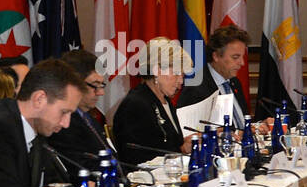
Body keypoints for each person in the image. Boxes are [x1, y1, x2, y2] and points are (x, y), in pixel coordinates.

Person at [0, 57, 84, 187]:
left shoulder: (37, 128)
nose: (66, 123)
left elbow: (53, 181)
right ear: (39, 99)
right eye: (64, 112)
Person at [111, 38, 195, 167]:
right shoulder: (135, 104)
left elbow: (166, 144)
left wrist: (185, 144)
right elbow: (136, 156)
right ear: (157, 71)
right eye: (177, 73)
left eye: (182, 75)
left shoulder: (165, 100)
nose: (181, 81)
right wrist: (181, 150)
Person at [47, 48, 112, 169]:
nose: (101, 93)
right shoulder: (63, 123)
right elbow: (77, 168)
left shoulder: (87, 117)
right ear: (74, 84)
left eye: (102, 85)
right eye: (95, 85)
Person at [176, 24, 252, 125]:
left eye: (242, 57)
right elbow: (190, 131)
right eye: (235, 57)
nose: (242, 63)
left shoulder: (234, 82)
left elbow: (242, 122)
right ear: (216, 56)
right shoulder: (196, 88)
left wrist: (258, 126)